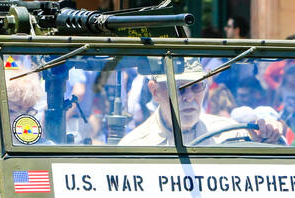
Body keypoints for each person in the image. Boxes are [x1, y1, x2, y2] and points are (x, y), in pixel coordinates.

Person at [119, 60, 285, 146]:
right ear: (155, 92)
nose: (189, 97)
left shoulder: (229, 134)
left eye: (197, 87)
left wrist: (268, 134)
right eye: (180, 89)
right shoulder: (135, 145)